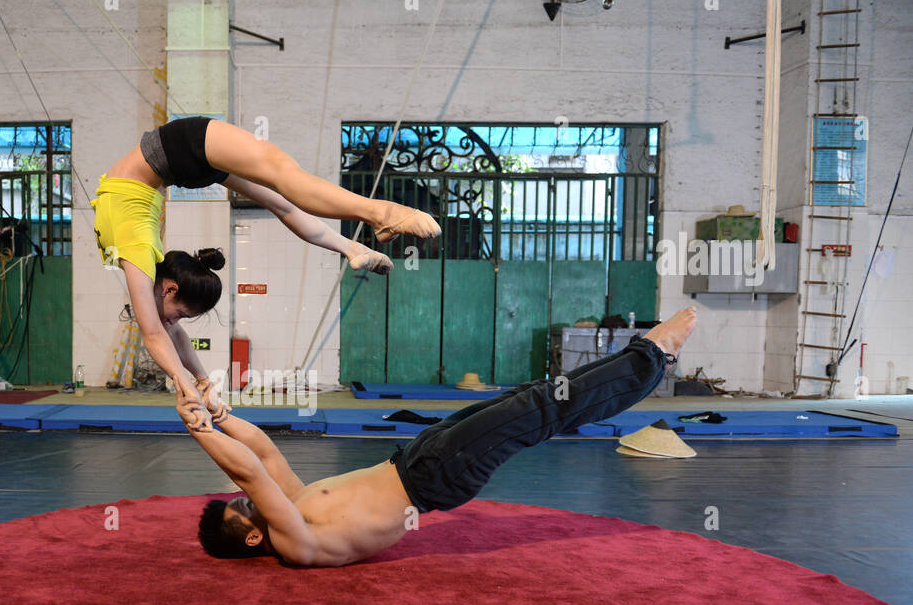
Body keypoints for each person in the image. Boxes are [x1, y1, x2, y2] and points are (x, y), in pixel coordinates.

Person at [181, 308, 699, 568]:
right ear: (253, 537)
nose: (246, 498)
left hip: (420, 457)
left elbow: (263, 453)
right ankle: (653, 357)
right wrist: (197, 427)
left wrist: (219, 413)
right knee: (542, 409)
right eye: (242, 509)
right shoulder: (296, 543)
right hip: (436, 476)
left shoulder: (292, 505)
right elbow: (250, 471)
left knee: (536, 397)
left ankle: (643, 358)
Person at [92, 116, 442, 428]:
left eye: (180, 314)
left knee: (283, 175)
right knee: (281, 202)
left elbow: (155, 334)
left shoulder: (136, 250)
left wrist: (184, 389)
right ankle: (352, 248)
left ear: (169, 289)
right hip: (180, 167)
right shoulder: (151, 274)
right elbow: (169, 332)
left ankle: (381, 214)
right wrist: (201, 381)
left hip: (181, 145)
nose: (175, 322)